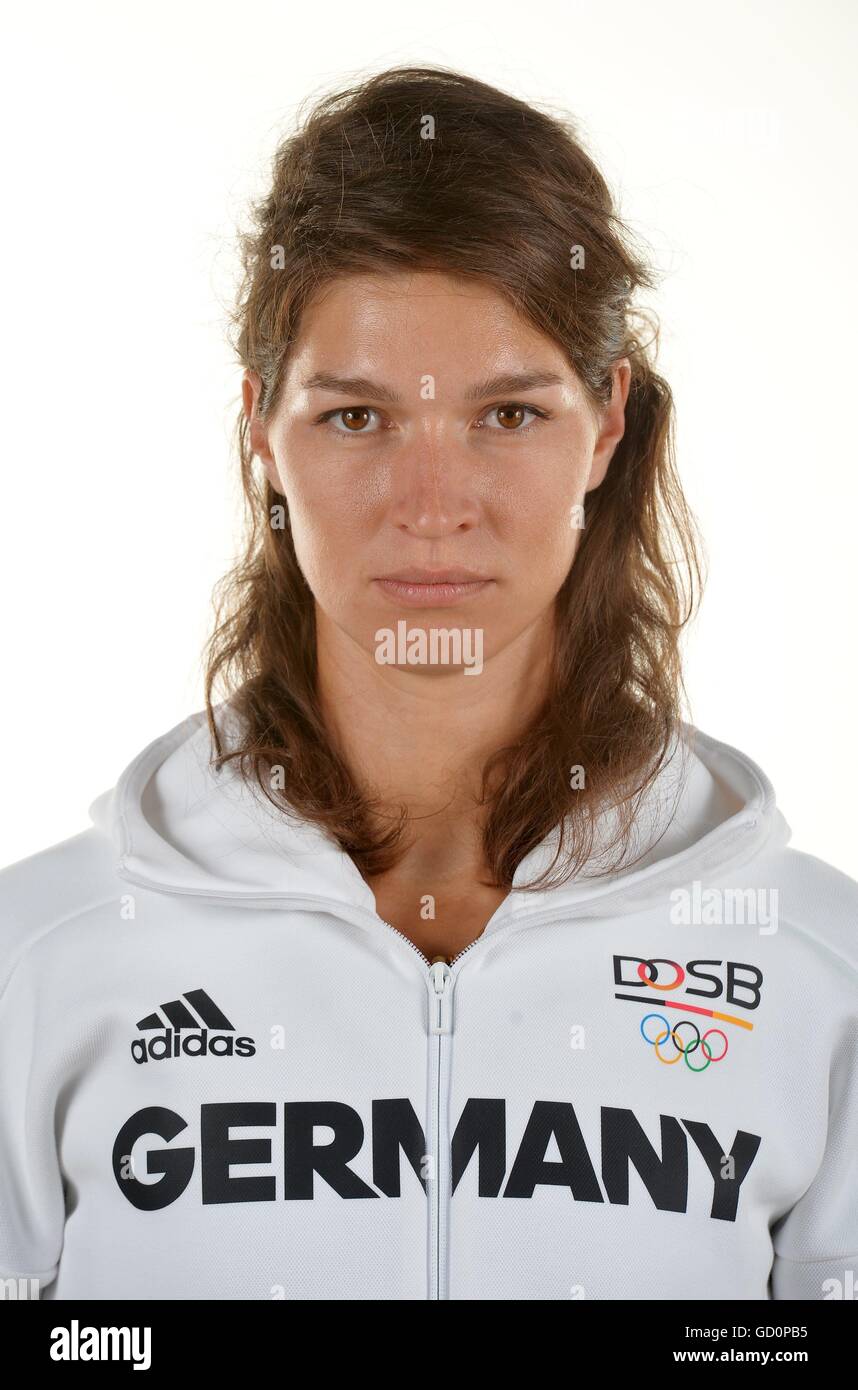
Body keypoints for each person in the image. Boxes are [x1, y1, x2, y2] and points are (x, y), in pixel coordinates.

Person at [1, 65, 856, 1302]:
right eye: (357, 418)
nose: (433, 506)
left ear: (607, 422)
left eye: (508, 415)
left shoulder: (815, 970)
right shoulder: (42, 961)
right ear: (261, 428)